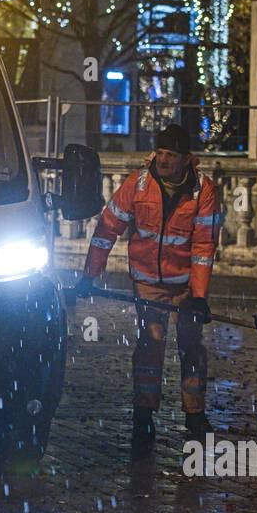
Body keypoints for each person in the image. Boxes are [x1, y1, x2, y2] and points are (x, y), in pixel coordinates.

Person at [77, 123, 222, 451]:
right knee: (150, 346)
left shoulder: (203, 192)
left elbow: (203, 247)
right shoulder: (137, 185)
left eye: (172, 154)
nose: (164, 160)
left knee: (191, 346)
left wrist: (198, 297)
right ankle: (143, 415)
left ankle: (194, 414)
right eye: (161, 153)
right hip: (147, 283)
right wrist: (90, 275)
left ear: (187, 159)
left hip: (185, 286)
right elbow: (106, 229)